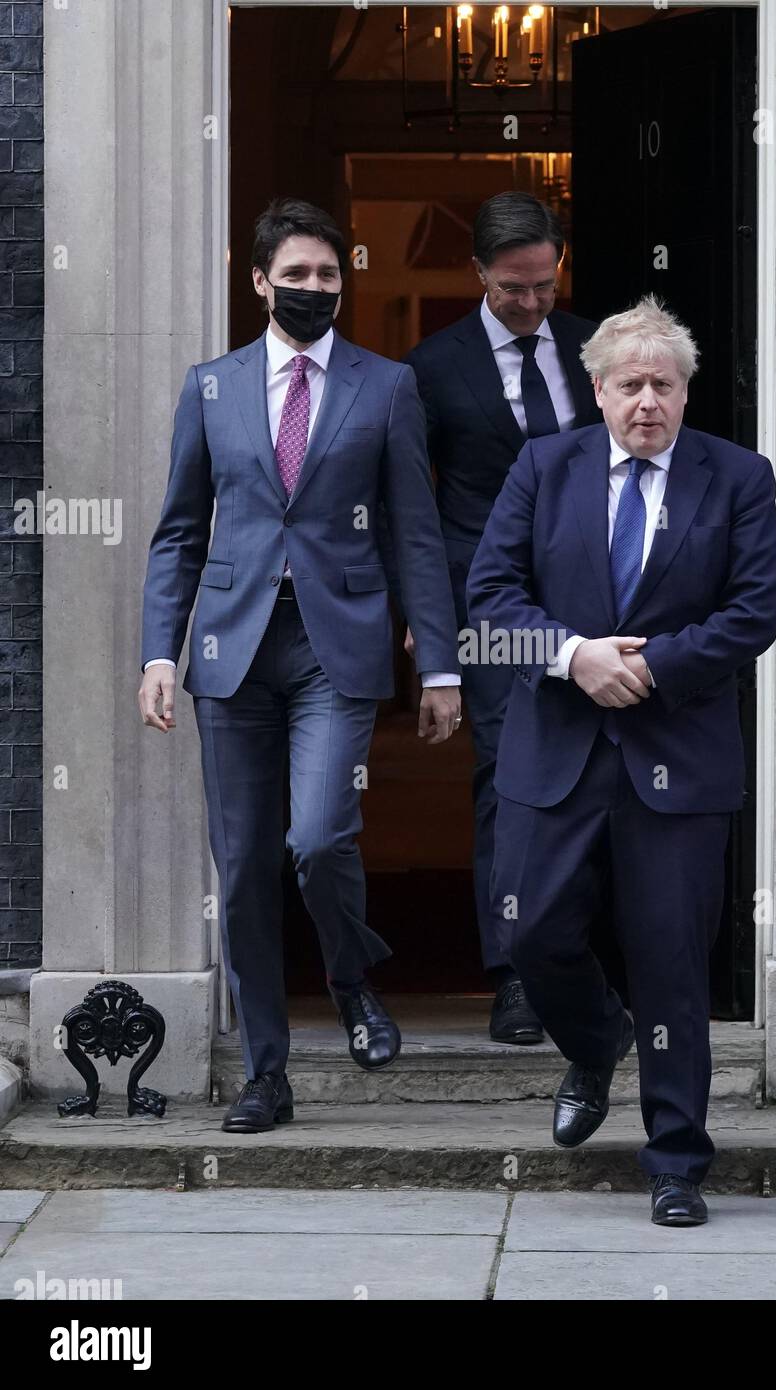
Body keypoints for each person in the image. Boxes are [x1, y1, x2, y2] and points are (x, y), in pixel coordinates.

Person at [138, 198, 461, 1133]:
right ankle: (267, 1074)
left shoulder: (387, 386)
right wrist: (160, 650)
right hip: (229, 652)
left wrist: (437, 664)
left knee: (317, 838)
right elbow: (176, 535)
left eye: (329, 276)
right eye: (298, 276)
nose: (315, 289)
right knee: (241, 869)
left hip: (337, 646)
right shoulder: (210, 388)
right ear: (259, 282)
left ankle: (352, 974)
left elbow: (416, 533)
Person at [466, 294, 776, 1224]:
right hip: (556, 748)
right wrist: (577, 658)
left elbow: (753, 613)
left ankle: (677, 1160)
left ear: (687, 394)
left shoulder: (738, 478)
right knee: (532, 932)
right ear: (596, 391)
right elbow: (490, 596)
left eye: (665, 384)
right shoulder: (542, 468)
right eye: (629, 384)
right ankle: (596, 1037)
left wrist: (650, 671)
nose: (648, 401)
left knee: (671, 957)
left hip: (677, 756)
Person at [403, 192, 602, 1043]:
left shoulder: (595, 348)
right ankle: (515, 973)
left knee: (596, 779)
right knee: (506, 782)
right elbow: (417, 509)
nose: (530, 304)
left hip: (591, 598)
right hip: (487, 604)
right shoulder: (432, 367)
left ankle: (588, 965)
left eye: (544, 285)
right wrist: (427, 625)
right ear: (479, 273)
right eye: (512, 288)